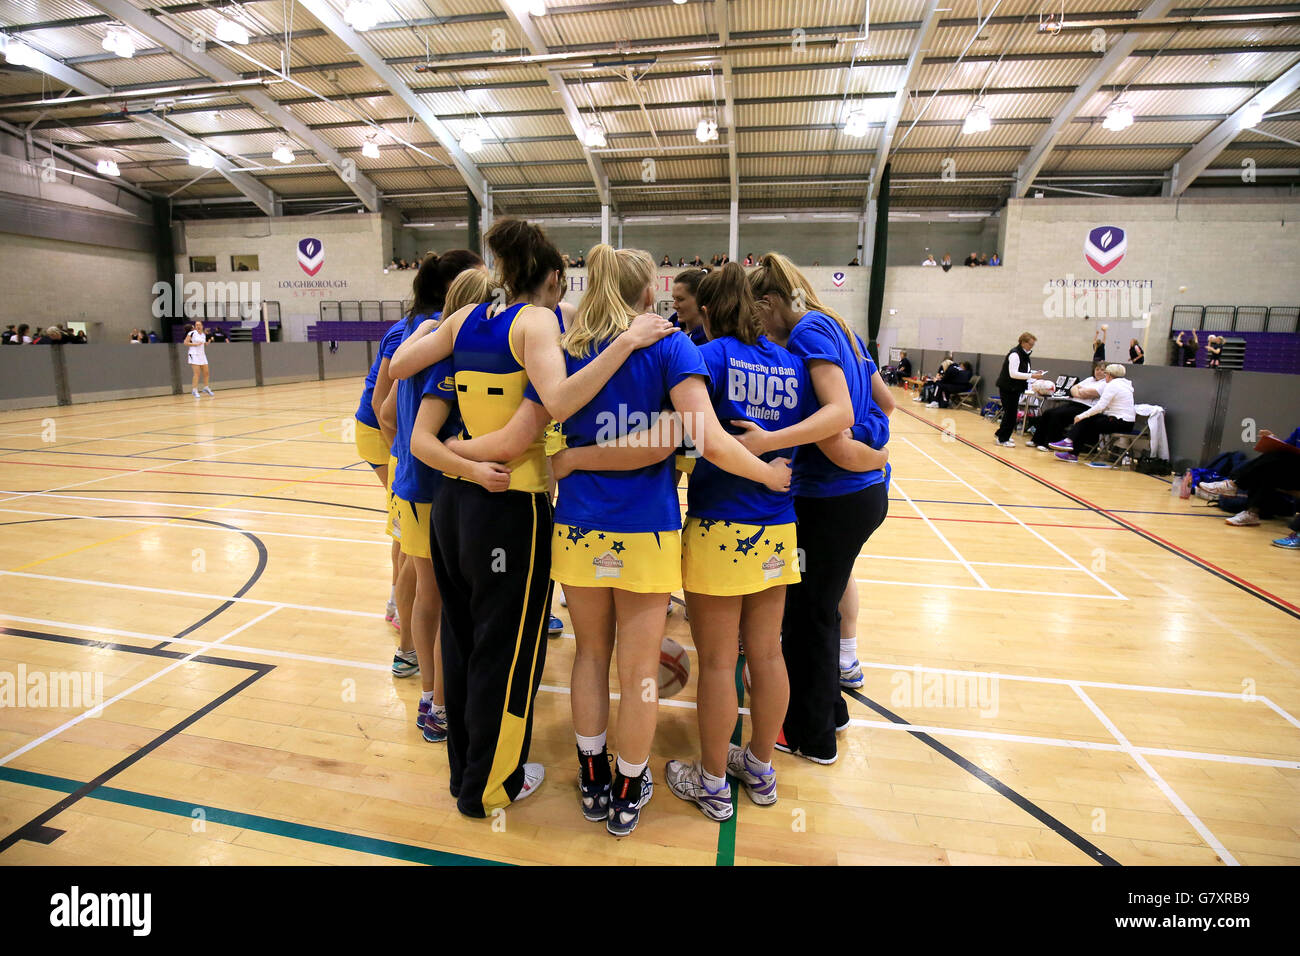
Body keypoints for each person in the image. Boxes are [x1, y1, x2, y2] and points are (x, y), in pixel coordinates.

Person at [387, 220, 677, 819]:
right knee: (508, 653)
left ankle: (465, 770)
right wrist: (624, 343)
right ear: (550, 277)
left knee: (461, 642)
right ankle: (491, 785)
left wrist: (456, 454)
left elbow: (398, 368)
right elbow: (561, 402)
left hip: (452, 505)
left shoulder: (469, 319)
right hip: (508, 506)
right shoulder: (537, 322)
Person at [515, 249, 789, 836]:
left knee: (589, 656)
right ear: (647, 295)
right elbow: (697, 437)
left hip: (578, 524)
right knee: (638, 668)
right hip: (646, 528)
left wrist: (573, 458)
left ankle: (591, 773)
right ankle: (627, 782)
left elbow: (543, 426)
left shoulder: (568, 348)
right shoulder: (672, 346)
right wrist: (766, 472)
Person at [746, 252, 890, 765]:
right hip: (865, 493)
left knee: (806, 619)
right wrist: (875, 451)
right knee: (819, 610)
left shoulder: (807, 333)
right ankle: (832, 711)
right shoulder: (841, 326)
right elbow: (885, 405)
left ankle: (812, 737)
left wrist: (771, 440)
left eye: (755, 312)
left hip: (832, 497)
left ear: (768, 302)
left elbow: (839, 416)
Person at [380, 256, 490, 740]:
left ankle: (429, 693)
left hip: (410, 485)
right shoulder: (446, 357)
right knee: (442, 600)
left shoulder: (422, 335)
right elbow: (424, 430)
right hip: (431, 489)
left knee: (428, 592)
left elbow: (385, 410)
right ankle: (440, 703)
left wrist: (401, 458)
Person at [1197, 427, 1300, 527]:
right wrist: (1273, 439)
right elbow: (1285, 448)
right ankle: (1251, 513)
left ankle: (1233, 484)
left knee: (1275, 460)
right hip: (1291, 475)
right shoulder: (1298, 430)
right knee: (1268, 467)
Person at [1050, 364, 1135, 462]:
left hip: (1120, 422)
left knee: (1085, 420)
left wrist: (1081, 415)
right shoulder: (1124, 384)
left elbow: (1100, 406)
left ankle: (1070, 446)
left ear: (1109, 375)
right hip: (1125, 422)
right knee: (1087, 420)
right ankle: (1071, 448)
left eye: (1106, 373)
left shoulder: (1113, 385)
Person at [1030, 362, 1107, 451]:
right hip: (1074, 403)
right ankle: (1037, 440)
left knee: (1057, 415)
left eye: (1102, 370)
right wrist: (1081, 392)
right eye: (1097, 369)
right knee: (1048, 412)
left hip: (1086, 408)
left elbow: (1091, 393)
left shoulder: (1105, 383)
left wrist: (1080, 391)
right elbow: (1073, 389)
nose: (1099, 372)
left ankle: (1049, 444)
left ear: (1106, 373)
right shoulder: (1090, 379)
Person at [993, 332, 1045, 447]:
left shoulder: (1024, 354)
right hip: (1008, 387)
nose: (1032, 346)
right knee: (1010, 414)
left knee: (1010, 413)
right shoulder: (1015, 354)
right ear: (1023, 342)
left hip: (1015, 388)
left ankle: (1001, 434)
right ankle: (1003, 439)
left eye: (1033, 344)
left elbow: (1023, 371)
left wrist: (1033, 373)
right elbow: (1013, 374)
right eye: (1030, 344)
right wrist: (1032, 376)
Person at [670, 267, 711, 346]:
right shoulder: (667, 331)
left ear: (700, 299)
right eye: (674, 299)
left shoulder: (712, 342)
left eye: (680, 299)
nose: (674, 306)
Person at [185, 321, 213, 397]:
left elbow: (204, 344)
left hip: (202, 355)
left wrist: (208, 342)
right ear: (195, 326)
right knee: (197, 373)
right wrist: (195, 344)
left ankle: (206, 387)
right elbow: (186, 342)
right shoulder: (192, 333)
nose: (198, 326)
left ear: (202, 326)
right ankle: (194, 390)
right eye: (196, 325)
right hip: (194, 354)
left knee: (206, 373)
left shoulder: (203, 335)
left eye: (199, 325)